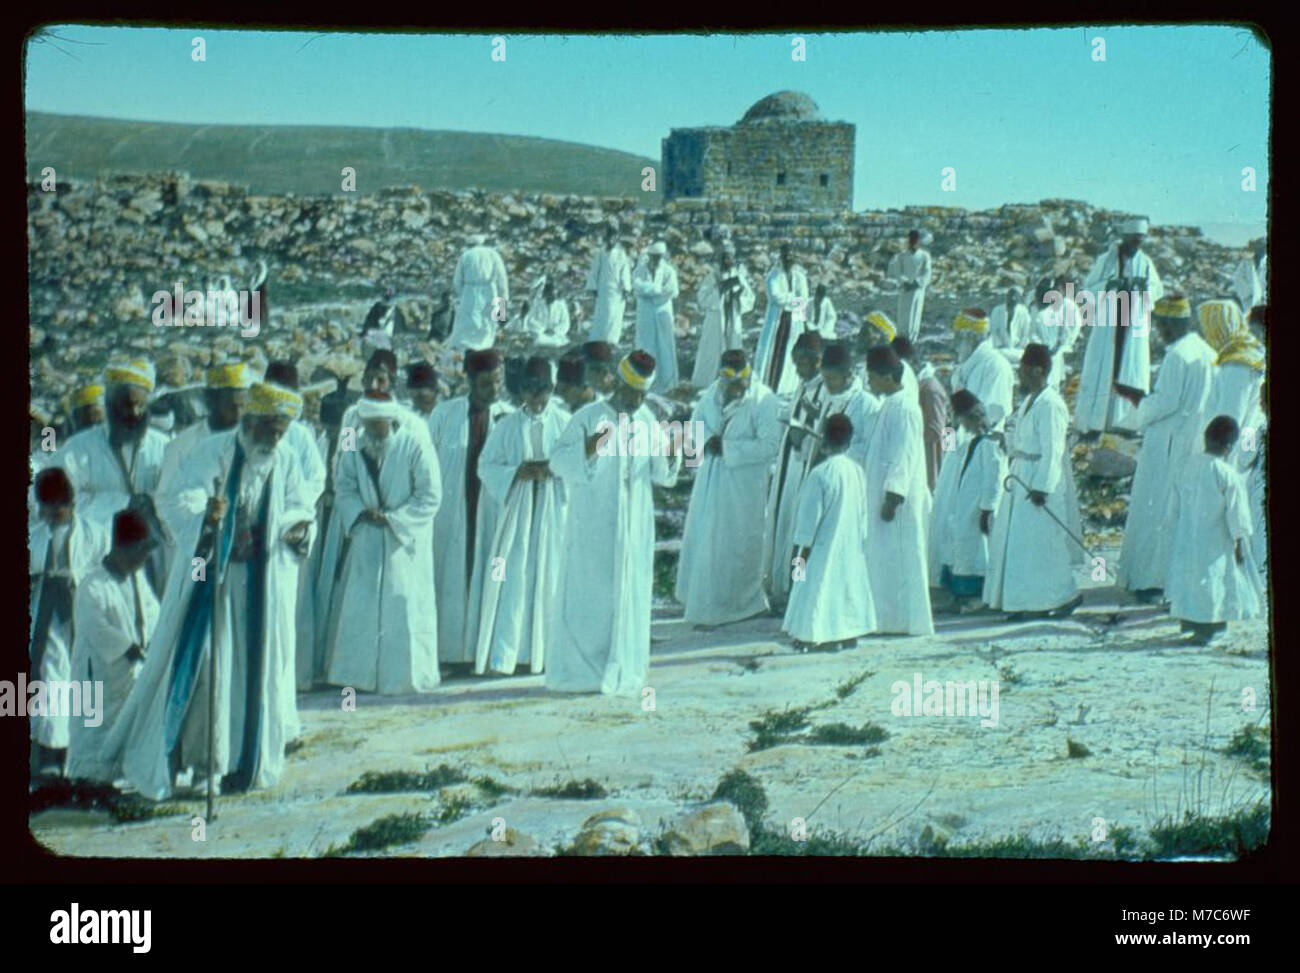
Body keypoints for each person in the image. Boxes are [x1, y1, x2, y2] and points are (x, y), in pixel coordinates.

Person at [102, 382, 316, 799]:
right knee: (207, 668)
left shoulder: (285, 459)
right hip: (211, 580)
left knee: (255, 671)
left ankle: (246, 763)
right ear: (250, 422)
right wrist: (207, 514)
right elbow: (176, 498)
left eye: (280, 432)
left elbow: (300, 503)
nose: (273, 440)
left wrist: (294, 524)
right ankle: (207, 764)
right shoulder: (211, 451)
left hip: (260, 580)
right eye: (268, 430)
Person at [547, 351, 681, 695]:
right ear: (617, 384)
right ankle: (581, 673)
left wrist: (673, 446)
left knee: (628, 596)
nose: (637, 401)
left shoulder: (648, 420)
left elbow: (663, 476)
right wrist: (592, 445)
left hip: (634, 527)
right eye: (632, 394)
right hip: (593, 525)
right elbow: (559, 462)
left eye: (641, 396)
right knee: (591, 597)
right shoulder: (588, 416)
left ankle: (624, 668)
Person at [325, 392, 441, 693]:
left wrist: (393, 519)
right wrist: (361, 514)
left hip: (401, 541)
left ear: (392, 420)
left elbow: (430, 495)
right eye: (370, 425)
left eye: (381, 425)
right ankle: (359, 677)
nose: (376, 432)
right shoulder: (353, 443)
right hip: (367, 535)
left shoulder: (414, 443)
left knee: (403, 606)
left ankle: (405, 678)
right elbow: (344, 484)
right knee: (361, 607)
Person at [472, 357, 570, 675]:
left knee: (550, 575)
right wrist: (518, 472)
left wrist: (554, 470)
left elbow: (580, 462)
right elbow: (486, 466)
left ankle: (547, 652)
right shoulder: (507, 426)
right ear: (521, 393)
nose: (537, 399)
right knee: (515, 577)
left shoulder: (565, 422)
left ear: (552, 391)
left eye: (543, 392)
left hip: (552, 509)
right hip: (519, 513)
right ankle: (510, 653)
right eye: (530, 391)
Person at [1117, 294, 1216, 603]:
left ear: (1174, 323)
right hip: (1192, 440)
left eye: (1161, 324)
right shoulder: (1206, 351)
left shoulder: (1178, 355)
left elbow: (1166, 401)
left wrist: (1136, 411)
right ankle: (1172, 580)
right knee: (1178, 511)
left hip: (1169, 444)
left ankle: (1151, 580)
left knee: (1155, 510)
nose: (1159, 331)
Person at [675, 350, 780, 627]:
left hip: (744, 488)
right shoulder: (712, 394)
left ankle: (745, 605)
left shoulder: (764, 400)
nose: (733, 390)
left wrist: (729, 449)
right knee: (707, 542)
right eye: (728, 384)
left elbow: (771, 446)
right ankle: (706, 605)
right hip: (712, 481)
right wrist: (707, 440)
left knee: (738, 545)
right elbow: (695, 428)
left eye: (738, 385)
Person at [428, 349, 514, 666]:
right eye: (486, 384)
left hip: (490, 512)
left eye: (498, 382)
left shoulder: (509, 417)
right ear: (469, 381)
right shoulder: (444, 415)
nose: (494, 390)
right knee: (450, 577)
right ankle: (450, 653)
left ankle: (484, 652)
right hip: (451, 513)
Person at [984, 344, 1083, 619]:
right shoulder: (1029, 401)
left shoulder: (1051, 404)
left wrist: (1043, 487)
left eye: (1025, 370)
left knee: (1043, 543)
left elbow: (1053, 450)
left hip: (1039, 479)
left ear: (1039, 371)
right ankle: (1026, 601)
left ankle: (1062, 596)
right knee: (1022, 545)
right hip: (1021, 474)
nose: (1020, 375)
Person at [64, 509, 160, 782]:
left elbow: (153, 615)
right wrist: (129, 648)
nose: (144, 559)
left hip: (127, 678)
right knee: (92, 732)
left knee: (123, 730)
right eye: (142, 551)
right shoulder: (91, 584)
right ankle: (88, 780)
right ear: (128, 548)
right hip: (96, 677)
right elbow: (96, 628)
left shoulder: (137, 581)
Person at [61, 360, 171, 594]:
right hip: (101, 555)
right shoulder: (79, 448)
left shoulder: (164, 447)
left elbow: (177, 495)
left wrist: (153, 503)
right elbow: (59, 505)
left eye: (139, 405)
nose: (133, 413)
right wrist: (121, 504)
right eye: (125, 405)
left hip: (153, 556)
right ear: (110, 405)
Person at [28, 468, 108, 775]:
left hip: (82, 619)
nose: (53, 515)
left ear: (70, 503)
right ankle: (51, 758)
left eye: (59, 508)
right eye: (48, 509)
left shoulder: (95, 534)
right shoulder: (35, 537)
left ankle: (85, 760)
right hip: (46, 622)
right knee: (49, 683)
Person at [928, 309, 1015, 586]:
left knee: (975, 521)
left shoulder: (996, 366)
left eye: (959, 336)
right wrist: (949, 447)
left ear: (971, 335)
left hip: (982, 452)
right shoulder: (963, 367)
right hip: (960, 452)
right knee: (951, 518)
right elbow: (955, 417)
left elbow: (986, 415)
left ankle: (978, 587)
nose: (956, 342)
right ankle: (953, 581)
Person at [782, 413, 876, 652]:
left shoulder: (820, 474)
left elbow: (806, 526)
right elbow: (863, 513)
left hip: (822, 547)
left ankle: (812, 636)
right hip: (851, 545)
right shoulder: (856, 471)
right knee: (845, 587)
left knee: (813, 587)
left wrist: (798, 558)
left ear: (823, 439)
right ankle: (846, 634)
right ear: (849, 441)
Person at [1166, 416, 1264, 645]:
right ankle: (1210, 625)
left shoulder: (1186, 467)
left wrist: (1175, 530)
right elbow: (1236, 513)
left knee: (1188, 577)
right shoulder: (1227, 474)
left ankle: (1189, 620)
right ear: (1229, 447)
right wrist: (1240, 540)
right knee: (1213, 580)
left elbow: (1174, 507)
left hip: (1187, 537)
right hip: (1215, 540)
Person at [863, 345, 934, 636]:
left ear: (887, 377)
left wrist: (893, 496)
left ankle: (906, 621)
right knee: (885, 563)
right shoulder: (891, 403)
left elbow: (905, 455)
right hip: (884, 493)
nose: (868, 383)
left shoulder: (905, 407)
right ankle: (887, 619)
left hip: (898, 502)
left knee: (902, 561)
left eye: (871, 377)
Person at [1075, 217, 1165, 437]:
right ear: (1124, 238)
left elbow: (1157, 289)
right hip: (1108, 325)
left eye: (1139, 241)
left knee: (1131, 369)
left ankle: (1127, 423)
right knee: (1102, 369)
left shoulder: (1145, 262)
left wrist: (1144, 289)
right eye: (1133, 240)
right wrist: (1109, 285)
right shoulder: (1105, 260)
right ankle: (1095, 423)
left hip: (1132, 325)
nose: (1136, 245)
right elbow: (1087, 290)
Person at [761, 332, 826, 608]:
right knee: (782, 523)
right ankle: (779, 586)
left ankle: (795, 591)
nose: (798, 367)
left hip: (805, 467)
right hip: (789, 468)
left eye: (804, 361)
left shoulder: (824, 389)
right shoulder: (803, 385)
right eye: (796, 360)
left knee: (798, 531)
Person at [938, 390, 1005, 610]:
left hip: (977, 506)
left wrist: (987, 507)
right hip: (958, 498)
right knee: (959, 546)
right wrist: (949, 423)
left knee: (977, 551)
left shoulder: (989, 443)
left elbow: (993, 479)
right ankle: (960, 594)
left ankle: (978, 597)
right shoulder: (966, 441)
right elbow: (949, 448)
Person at [1198, 299, 1265, 472]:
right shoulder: (1246, 355)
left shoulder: (1238, 365)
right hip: (1241, 449)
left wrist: (1217, 463)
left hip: (1229, 456)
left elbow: (1230, 418)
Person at [691, 248, 755, 389]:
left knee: (733, 348)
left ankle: (733, 381)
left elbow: (750, 299)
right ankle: (707, 383)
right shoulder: (712, 277)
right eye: (725, 258)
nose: (727, 261)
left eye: (730, 258)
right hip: (716, 320)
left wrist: (738, 297)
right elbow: (702, 300)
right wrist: (721, 289)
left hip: (733, 319)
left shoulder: (739, 277)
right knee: (712, 351)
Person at [893, 336, 950, 489]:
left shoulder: (930, 389)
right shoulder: (922, 385)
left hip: (930, 455)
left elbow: (941, 430)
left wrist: (949, 459)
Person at [809, 341, 876, 469]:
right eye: (825, 379)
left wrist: (836, 450)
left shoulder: (866, 404)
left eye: (832, 378)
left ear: (848, 375)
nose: (827, 384)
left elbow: (872, 450)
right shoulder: (829, 400)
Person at [754, 244, 810, 395]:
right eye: (786, 255)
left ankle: (788, 387)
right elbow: (776, 297)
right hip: (778, 320)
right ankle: (771, 386)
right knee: (774, 353)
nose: (789, 258)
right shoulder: (773, 275)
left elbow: (804, 297)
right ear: (781, 256)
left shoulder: (799, 276)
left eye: (791, 255)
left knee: (792, 350)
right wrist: (794, 298)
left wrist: (792, 301)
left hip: (795, 320)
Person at [448, 231, 510, 351]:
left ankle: (467, 349)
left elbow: (457, 281)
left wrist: (462, 294)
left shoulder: (466, 255)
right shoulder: (493, 254)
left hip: (469, 292)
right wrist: (503, 303)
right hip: (489, 291)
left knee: (468, 322)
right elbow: (502, 280)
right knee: (488, 322)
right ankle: (485, 348)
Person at [632, 241, 681, 392]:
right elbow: (636, 286)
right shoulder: (640, 269)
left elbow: (671, 290)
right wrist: (655, 290)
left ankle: (667, 382)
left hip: (662, 311)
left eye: (658, 257)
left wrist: (651, 293)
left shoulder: (668, 271)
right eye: (653, 256)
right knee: (645, 344)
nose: (656, 260)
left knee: (665, 346)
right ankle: (645, 381)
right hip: (645, 312)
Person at [585, 224, 633, 344]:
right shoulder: (601, 253)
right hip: (603, 289)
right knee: (601, 314)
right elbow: (595, 271)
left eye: (614, 238)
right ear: (606, 238)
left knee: (614, 314)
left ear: (616, 239)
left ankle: (611, 340)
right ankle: (598, 339)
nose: (611, 240)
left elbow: (625, 271)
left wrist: (626, 288)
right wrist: (592, 287)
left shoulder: (621, 254)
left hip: (617, 290)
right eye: (610, 237)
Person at [887, 229, 932, 341]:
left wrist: (917, 282)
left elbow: (927, 272)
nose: (913, 242)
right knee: (903, 314)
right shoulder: (901, 256)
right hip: (905, 289)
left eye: (916, 240)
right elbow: (897, 272)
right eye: (911, 240)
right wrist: (905, 282)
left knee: (915, 314)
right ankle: (902, 339)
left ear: (919, 241)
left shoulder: (924, 256)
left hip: (917, 290)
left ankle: (912, 339)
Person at [522, 278, 572, 348]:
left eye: (553, 294)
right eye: (549, 294)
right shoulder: (537, 304)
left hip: (557, 335)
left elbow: (566, 322)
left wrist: (555, 330)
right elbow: (530, 320)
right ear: (545, 294)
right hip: (540, 334)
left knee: (557, 343)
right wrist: (543, 329)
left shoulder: (561, 305)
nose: (551, 297)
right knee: (540, 341)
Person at [989, 286, 1030, 354]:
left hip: (1019, 351)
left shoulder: (1024, 311)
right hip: (1000, 349)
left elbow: (1026, 332)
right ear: (1007, 296)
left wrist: (1020, 346)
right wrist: (1000, 346)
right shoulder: (997, 310)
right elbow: (994, 331)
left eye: (1016, 296)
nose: (1013, 298)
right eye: (1011, 295)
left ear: (1019, 298)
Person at [1231, 243, 1267, 317]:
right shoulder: (1246, 262)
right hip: (1249, 298)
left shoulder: (1265, 261)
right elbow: (1238, 278)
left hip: (1264, 298)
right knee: (1250, 318)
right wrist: (1248, 295)